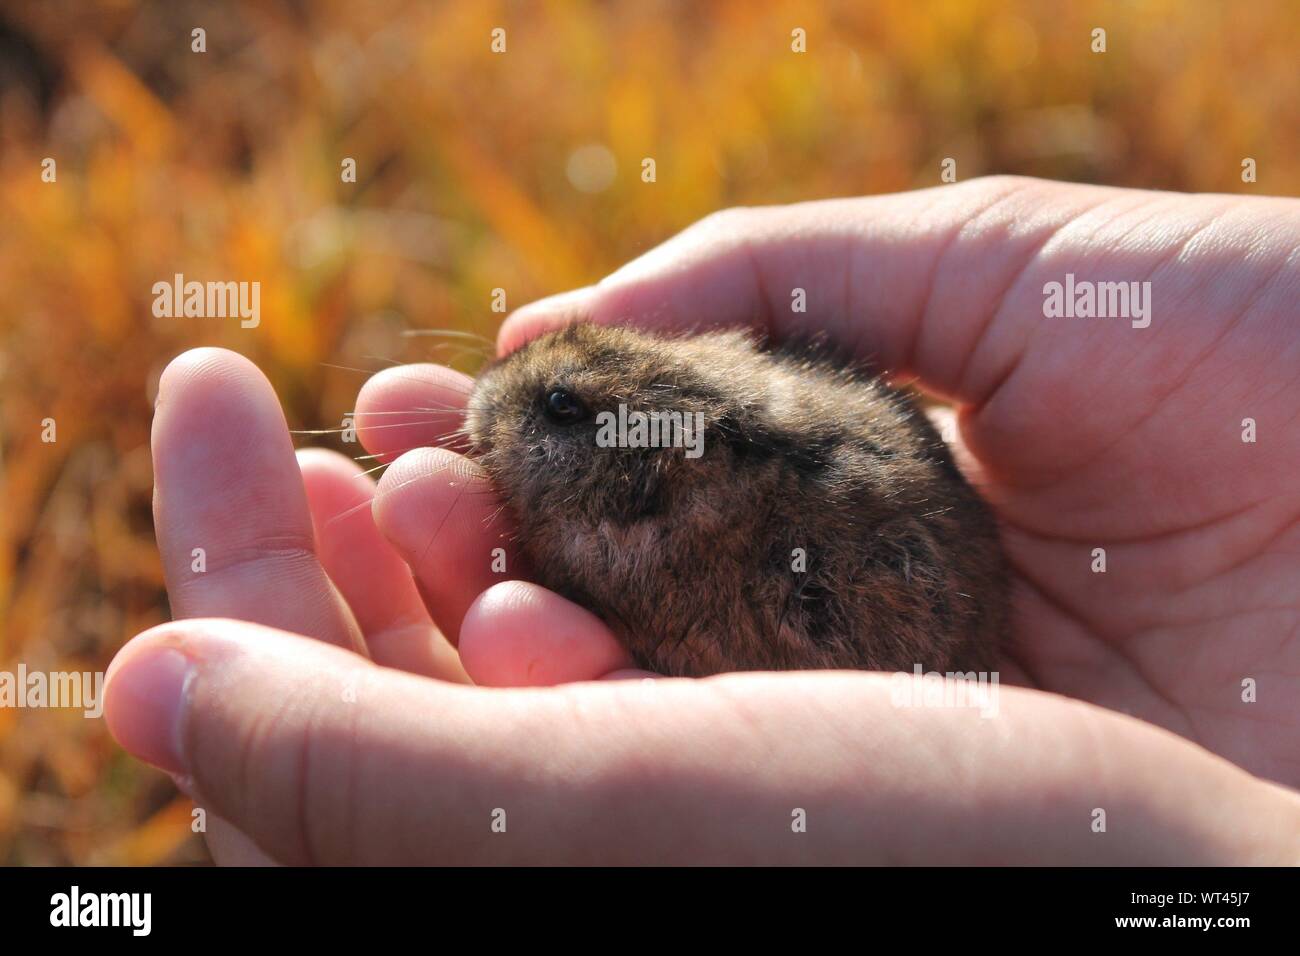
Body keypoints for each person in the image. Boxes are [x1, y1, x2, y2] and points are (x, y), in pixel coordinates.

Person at [104, 176, 1300, 864]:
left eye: (561, 410)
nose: (496, 405)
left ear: (641, 476)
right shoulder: (672, 459)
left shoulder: (656, 520)